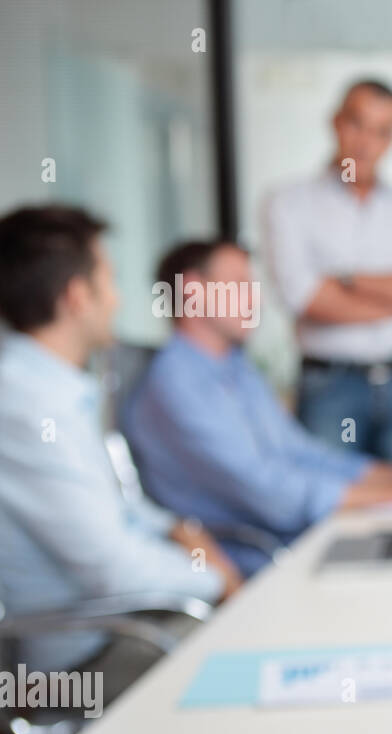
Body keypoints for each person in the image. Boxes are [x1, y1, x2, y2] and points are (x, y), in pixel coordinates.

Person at [123, 239, 392, 578]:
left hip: (294, 545)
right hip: (256, 564)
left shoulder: (235, 368)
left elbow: (299, 452)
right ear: (193, 292)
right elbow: (268, 491)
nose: (255, 300)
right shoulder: (177, 384)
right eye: (241, 285)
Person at [0, 206, 239, 676]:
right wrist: (218, 580)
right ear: (75, 296)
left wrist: (178, 529)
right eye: (107, 281)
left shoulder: (49, 386)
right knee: (240, 659)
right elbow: (112, 567)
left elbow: (112, 508)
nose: (117, 300)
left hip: (123, 624)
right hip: (80, 661)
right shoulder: (24, 406)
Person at [262, 78, 392, 465]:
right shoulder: (288, 203)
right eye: (357, 124)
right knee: (331, 501)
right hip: (330, 386)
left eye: (382, 131)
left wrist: (349, 281)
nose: (366, 142)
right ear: (336, 122)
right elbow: (307, 299)